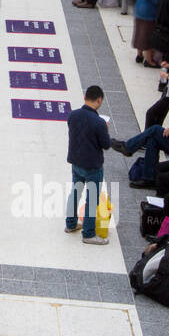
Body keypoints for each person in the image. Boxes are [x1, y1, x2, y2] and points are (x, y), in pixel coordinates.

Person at [65, 85, 111, 244]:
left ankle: (70, 224)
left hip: (76, 162)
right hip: (92, 166)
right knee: (92, 199)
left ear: (85, 97)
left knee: (75, 192)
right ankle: (89, 234)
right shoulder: (99, 122)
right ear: (99, 100)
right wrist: (106, 129)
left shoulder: (73, 115)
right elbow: (106, 144)